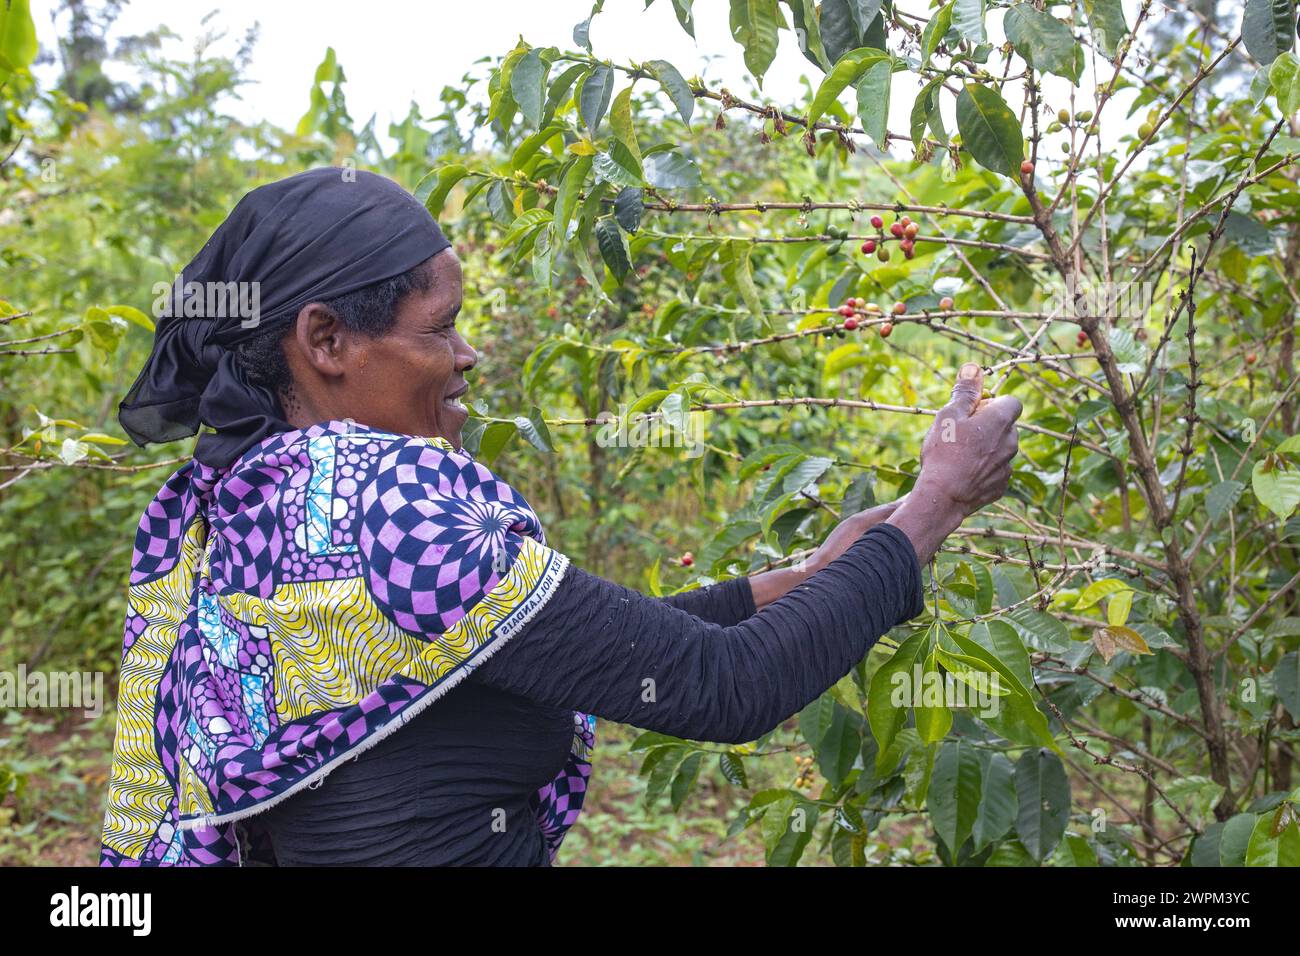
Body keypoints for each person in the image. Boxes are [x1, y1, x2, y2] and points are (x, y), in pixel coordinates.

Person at [98, 167, 1021, 867]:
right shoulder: (383, 499)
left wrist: (806, 579)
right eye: (439, 327)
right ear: (326, 342)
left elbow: (544, 649)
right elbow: (727, 687)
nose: (465, 356)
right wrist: (937, 503)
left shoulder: (241, 499)